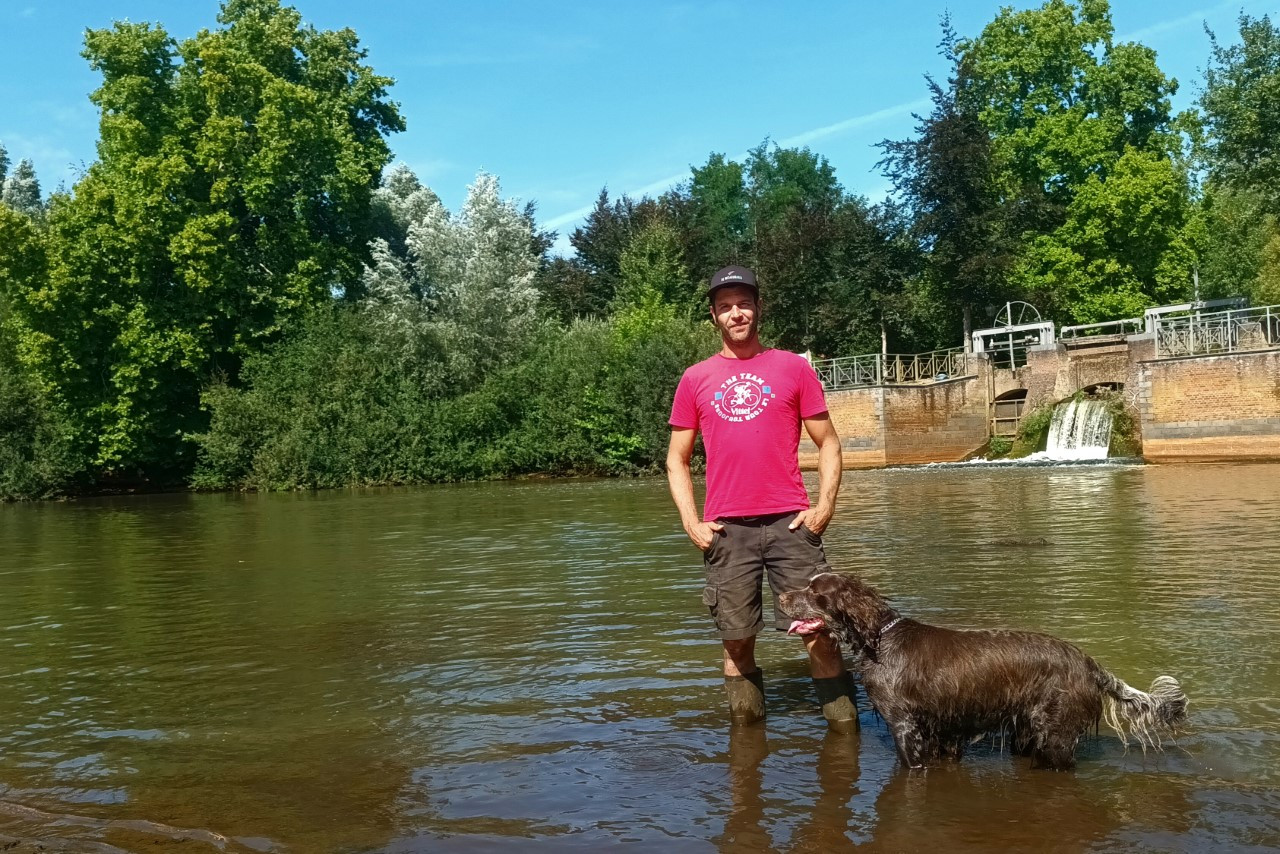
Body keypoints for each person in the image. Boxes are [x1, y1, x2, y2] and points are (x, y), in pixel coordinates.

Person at [666, 265, 856, 731]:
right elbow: (676, 459)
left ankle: (845, 740)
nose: (736, 314)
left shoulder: (793, 368)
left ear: (758, 308)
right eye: (725, 307)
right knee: (736, 642)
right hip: (727, 531)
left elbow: (829, 443)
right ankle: (747, 745)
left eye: (744, 304)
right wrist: (691, 523)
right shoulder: (695, 378)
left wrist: (825, 507)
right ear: (714, 316)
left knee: (820, 635)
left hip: (792, 525)